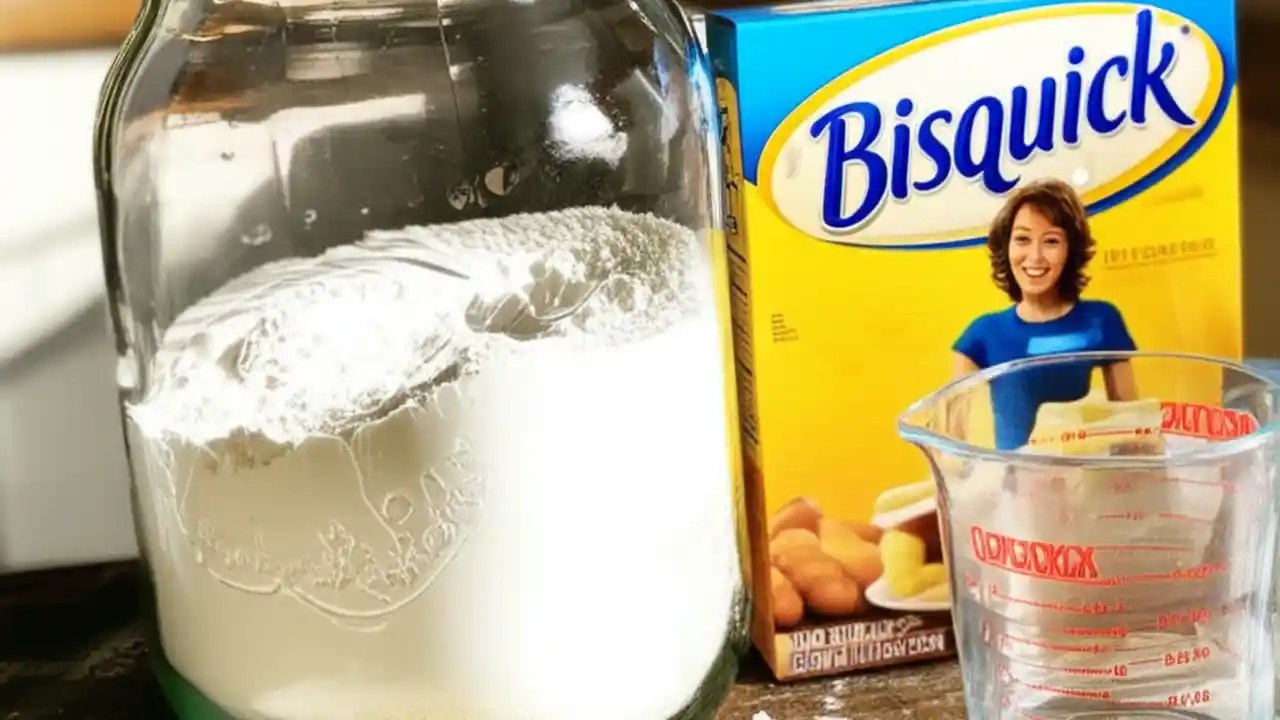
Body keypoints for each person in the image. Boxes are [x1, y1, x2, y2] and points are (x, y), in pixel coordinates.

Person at [952, 178, 1138, 451]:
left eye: (1051, 241)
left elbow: (1133, 427)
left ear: (1069, 250)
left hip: (1083, 481)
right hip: (1016, 486)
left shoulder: (1101, 321)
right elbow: (951, 443)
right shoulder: (981, 335)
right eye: (1023, 239)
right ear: (1006, 247)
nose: (1035, 256)